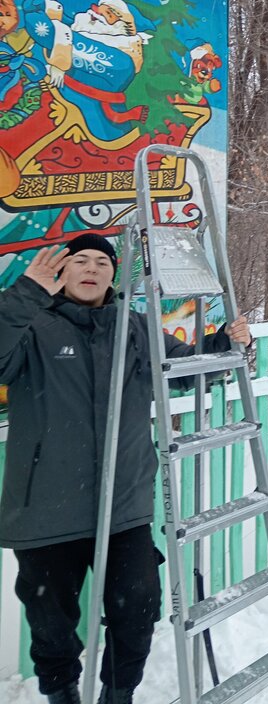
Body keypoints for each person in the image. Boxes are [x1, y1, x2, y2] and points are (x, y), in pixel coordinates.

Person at [0, 233, 252, 704]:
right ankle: (61, 693)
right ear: (62, 271)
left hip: (123, 505)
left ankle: (118, 694)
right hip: (46, 511)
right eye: (80, 260)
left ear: (114, 275)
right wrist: (26, 293)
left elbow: (187, 369)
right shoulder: (31, 324)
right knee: (51, 620)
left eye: (102, 262)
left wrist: (227, 343)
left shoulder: (134, 327)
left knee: (137, 607)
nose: (91, 269)